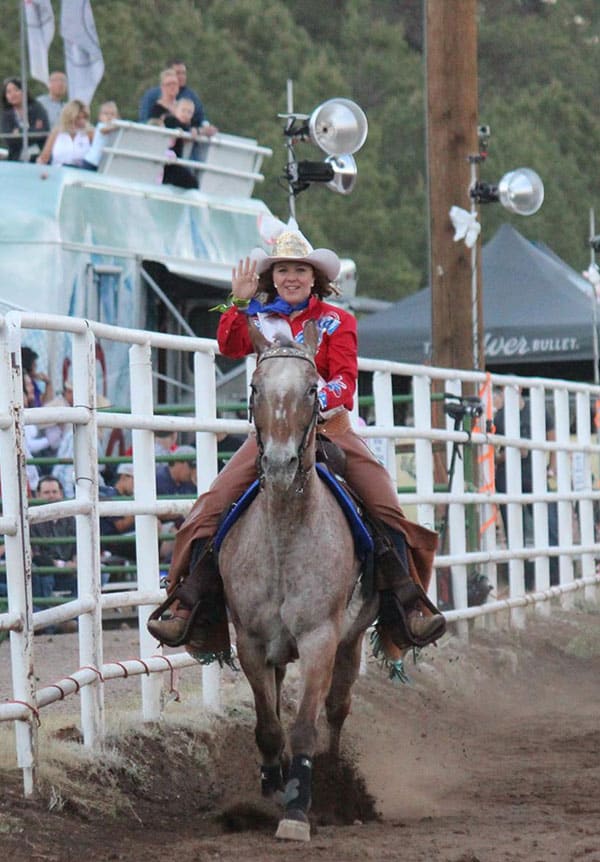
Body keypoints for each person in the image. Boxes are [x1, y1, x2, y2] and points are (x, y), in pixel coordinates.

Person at [147, 218, 446, 657]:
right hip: (273, 434)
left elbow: (345, 380)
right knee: (210, 506)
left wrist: (309, 400)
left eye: (300, 270)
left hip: (331, 428)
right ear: (272, 278)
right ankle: (187, 603)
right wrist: (239, 301)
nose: (290, 277)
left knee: (384, 503)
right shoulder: (259, 318)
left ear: (316, 279)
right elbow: (229, 346)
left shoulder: (337, 321)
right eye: (283, 270)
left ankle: (407, 600)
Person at [494, 385, 558, 586]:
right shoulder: (499, 416)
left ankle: (553, 575)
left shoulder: (536, 410)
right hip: (509, 477)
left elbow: (552, 439)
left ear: (519, 390)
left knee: (548, 526)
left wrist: (551, 468)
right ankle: (523, 580)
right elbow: (491, 455)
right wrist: (510, 454)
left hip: (534, 474)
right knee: (516, 530)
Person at [30, 476, 77, 605]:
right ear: (38, 495)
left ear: (61, 494)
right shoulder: (31, 521)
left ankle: (73, 616)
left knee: (98, 574)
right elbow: (35, 555)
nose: (51, 496)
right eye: (46, 493)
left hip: (70, 570)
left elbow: (79, 546)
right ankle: (50, 621)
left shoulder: (71, 519)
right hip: (46, 572)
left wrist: (77, 560)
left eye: (54, 492)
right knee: (42, 577)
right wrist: (61, 565)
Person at [139, 60, 217, 135]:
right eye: (178, 73)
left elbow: (199, 119)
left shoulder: (191, 96)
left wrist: (205, 127)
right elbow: (144, 120)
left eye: (183, 73)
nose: (181, 77)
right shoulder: (152, 96)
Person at [1, 76, 49, 162]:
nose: (13, 94)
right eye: (8, 92)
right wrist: (31, 130)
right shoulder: (6, 114)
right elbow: (9, 140)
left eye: (16, 90)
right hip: (16, 159)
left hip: (39, 158)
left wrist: (18, 132)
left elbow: (42, 132)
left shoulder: (36, 107)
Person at [36, 100, 94, 166]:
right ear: (69, 117)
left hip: (82, 173)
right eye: (78, 118)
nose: (82, 121)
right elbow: (43, 158)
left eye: (85, 117)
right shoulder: (56, 132)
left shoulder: (90, 133)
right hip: (58, 171)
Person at [99, 463, 136, 560]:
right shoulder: (112, 495)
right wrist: (140, 510)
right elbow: (120, 526)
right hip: (112, 543)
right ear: (124, 477)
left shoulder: (122, 496)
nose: (136, 485)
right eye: (135, 480)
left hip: (119, 540)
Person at [81, 100, 120, 171]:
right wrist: (117, 126)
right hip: (91, 161)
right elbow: (105, 130)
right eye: (106, 114)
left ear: (117, 117)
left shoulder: (114, 129)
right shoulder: (101, 126)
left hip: (101, 162)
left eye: (112, 114)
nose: (109, 116)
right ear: (100, 116)